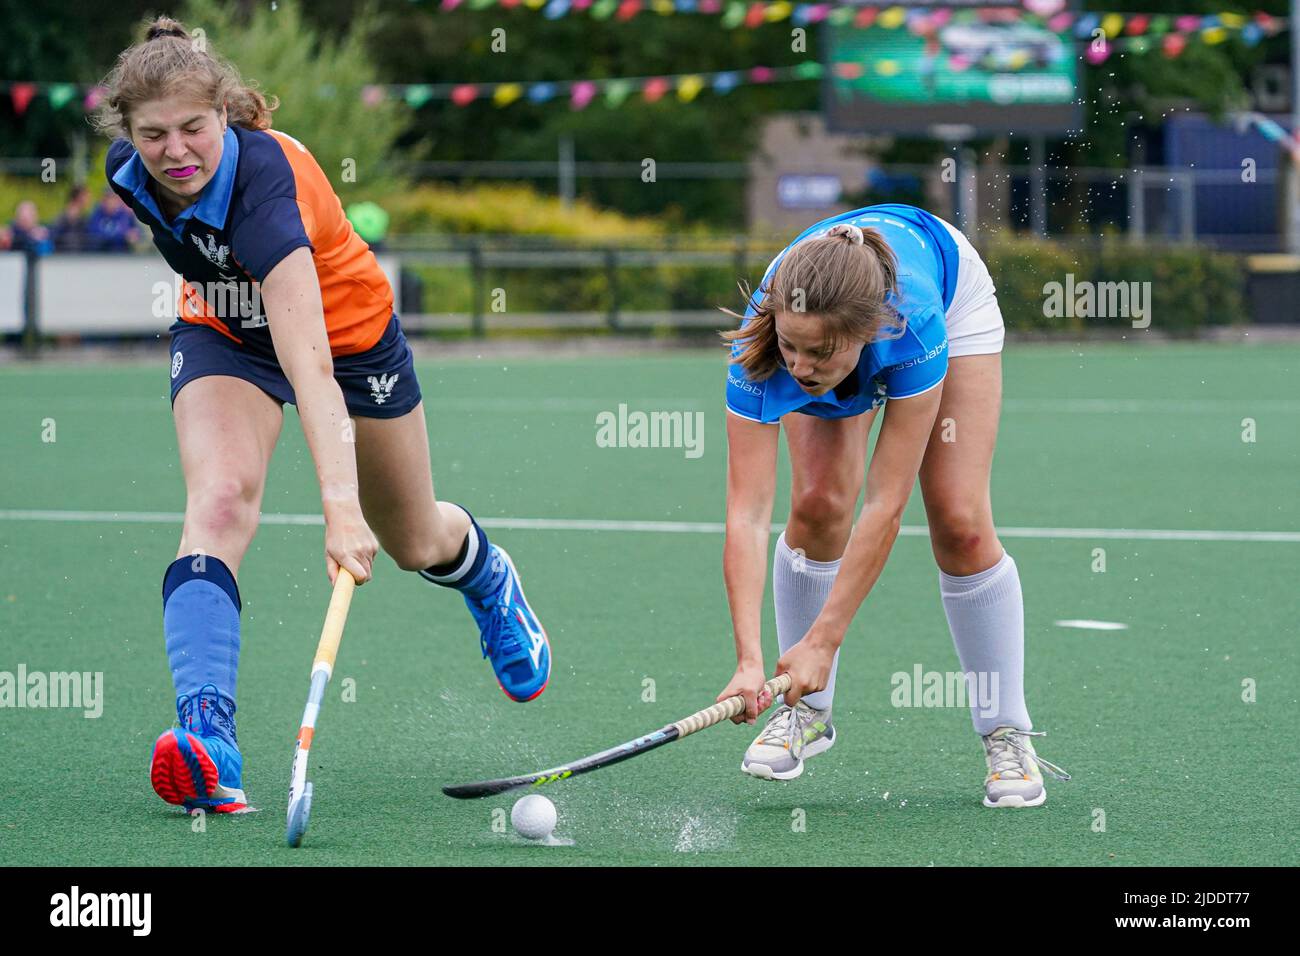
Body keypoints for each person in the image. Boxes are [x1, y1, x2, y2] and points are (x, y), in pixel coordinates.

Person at [95, 17, 551, 815]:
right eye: (154, 134)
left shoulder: (268, 186)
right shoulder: (129, 175)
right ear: (129, 134)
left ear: (225, 115)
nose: (175, 152)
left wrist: (342, 511)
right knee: (219, 500)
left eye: (194, 128)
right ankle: (209, 739)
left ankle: (484, 571)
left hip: (346, 343)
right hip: (225, 330)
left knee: (412, 537)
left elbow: (312, 368)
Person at [716, 204, 1067, 808]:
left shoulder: (914, 324)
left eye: (820, 354)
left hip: (955, 293)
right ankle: (805, 712)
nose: (800, 368)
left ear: (867, 334)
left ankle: (1006, 731)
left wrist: (824, 640)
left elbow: (885, 502)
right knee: (819, 505)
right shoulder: (768, 340)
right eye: (791, 347)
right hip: (832, 318)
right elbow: (746, 515)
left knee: (960, 523)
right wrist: (750, 660)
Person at [86, 187, 142, 252]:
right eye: (109, 198)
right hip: (101, 255)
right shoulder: (96, 215)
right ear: (103, 200)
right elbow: (94, 235)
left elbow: (138, 232)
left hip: (123, 255)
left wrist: (134, 234)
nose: (112, 202)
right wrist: (123, 236)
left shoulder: (125, 214)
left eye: (114, 198)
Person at [52, 186, 93, 252]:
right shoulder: (63, 217)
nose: (89, 199)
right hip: (64, 255)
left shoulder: (83, 217)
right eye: (86, 196)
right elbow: (55, 235)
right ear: (79, 197)